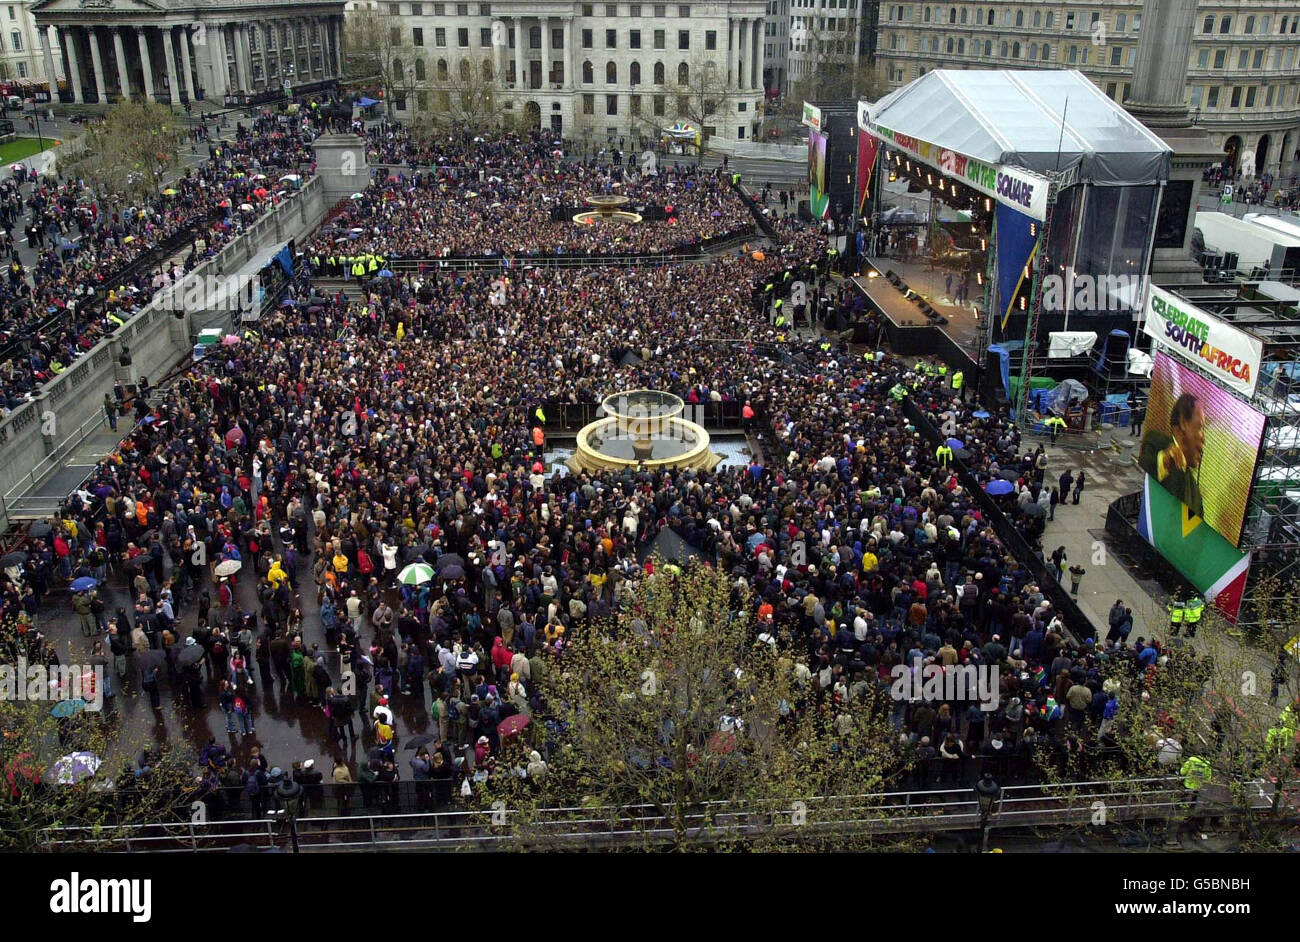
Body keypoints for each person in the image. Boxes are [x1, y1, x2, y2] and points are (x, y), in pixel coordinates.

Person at [1138, 393, 1205, 519]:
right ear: (1184, 423)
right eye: (1200, 427)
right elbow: (1143, 463)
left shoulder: (1196, 496)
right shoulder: (1155, 441)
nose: (1204, 438)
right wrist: (1164, 461)